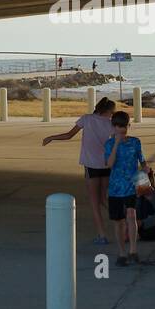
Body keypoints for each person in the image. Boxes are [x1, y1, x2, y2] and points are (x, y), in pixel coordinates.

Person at [42, 97, 116, 244]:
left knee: (95, 202)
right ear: (107, 111)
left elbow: (69, 135)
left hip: (91, 166)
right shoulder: (111, 124)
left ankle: (102, 235)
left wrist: (51, 137)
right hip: (107, 165)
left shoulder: (86, 119)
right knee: (105, 199)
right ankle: (124, 223)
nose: (112, 115)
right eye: (112, 112)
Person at [103, 110, 150, 266]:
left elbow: (142, 160)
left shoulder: (135, 142)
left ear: (128, 126)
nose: (120, 129)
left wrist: (145, 170)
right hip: (115, 187)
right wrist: (116, 143)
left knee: (131, 215)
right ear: (113, 127)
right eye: (117, 126)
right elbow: (109, 164)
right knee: (118, 221)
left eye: (123, 126)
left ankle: (133, 250)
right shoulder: (109, 144)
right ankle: (122, 252)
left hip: (132, 185)